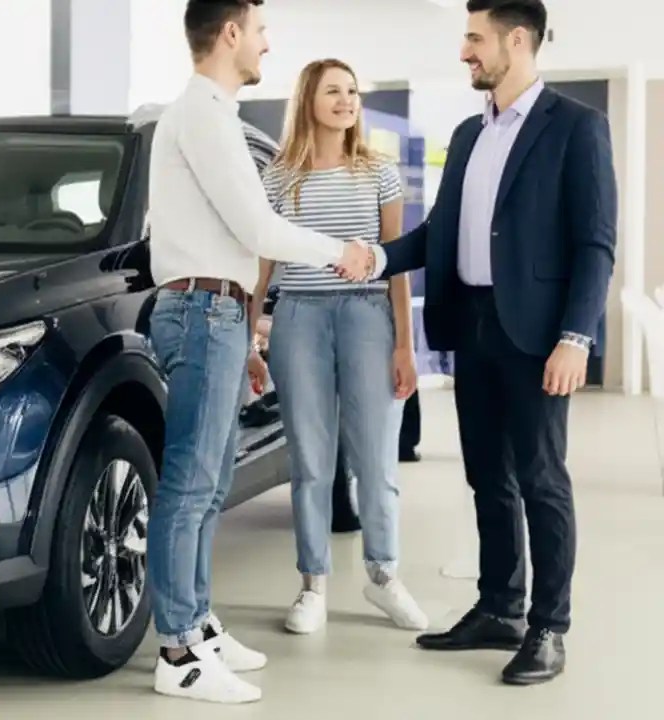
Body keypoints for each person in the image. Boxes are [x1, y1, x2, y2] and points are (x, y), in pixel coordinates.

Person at [367, 0, 617, 685]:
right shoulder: (469, 135)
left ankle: (548, 628)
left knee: (541, 480)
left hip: (538, 335)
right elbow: (439, 232)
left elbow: (595, 245)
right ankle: (501, 606)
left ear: (516, 39)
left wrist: (576, 335)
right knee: (487, 479)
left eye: (474, 39)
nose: (465, 52)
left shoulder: (576, 128)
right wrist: (377, 258)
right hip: (472, 325)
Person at [146, 0, 380, 704]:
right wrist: (345, 251)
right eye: (260, 31)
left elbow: (241, 237)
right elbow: (260, 227)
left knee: (211, 485)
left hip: (217, 311)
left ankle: (200, 626)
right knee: (188, 486)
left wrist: (247, 328)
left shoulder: (211, 118)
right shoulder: (200, 115)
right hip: (198, 311)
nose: (266, 46)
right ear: (230, 33)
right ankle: (178, 653)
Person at [249, 58, 426, 636]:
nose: (347, 100)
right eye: (334, 91)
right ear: (308, 100)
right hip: (299, 317)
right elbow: (263, 265)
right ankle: (313, 585)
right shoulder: (277, 176)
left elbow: (397, 263)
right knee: (310, 460)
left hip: (368, 313)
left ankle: (384, 575)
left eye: (353, 90)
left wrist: (405, 345)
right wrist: (252, 333)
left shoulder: (378, 169)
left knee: (376, 457)